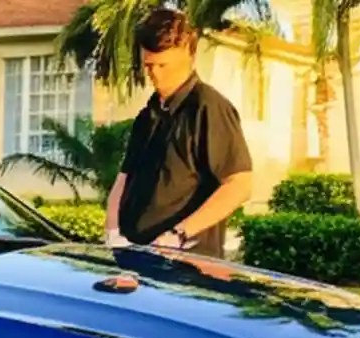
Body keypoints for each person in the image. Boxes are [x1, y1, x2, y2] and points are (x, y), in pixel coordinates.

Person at [105, 8, 253, 258]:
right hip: (132, 257)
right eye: (148, 65)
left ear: (188, 52)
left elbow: (239, 185)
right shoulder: (147, 115)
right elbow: (124, 178)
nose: (154, 74)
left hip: (185, 264)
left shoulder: (209, 109)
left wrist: (179, 234)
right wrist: (112, 230)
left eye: (163, 64)